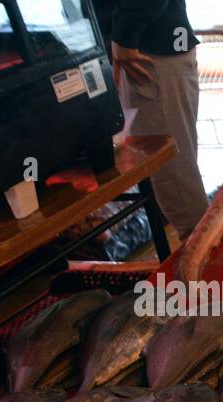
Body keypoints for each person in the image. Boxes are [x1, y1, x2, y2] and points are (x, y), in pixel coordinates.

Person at [89, 0, 209, 239]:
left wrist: (124, 37)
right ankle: (211, 262)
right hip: (155, 50)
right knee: (178, 171)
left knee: (175, 178)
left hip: (147, 54)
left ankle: (210, 267)